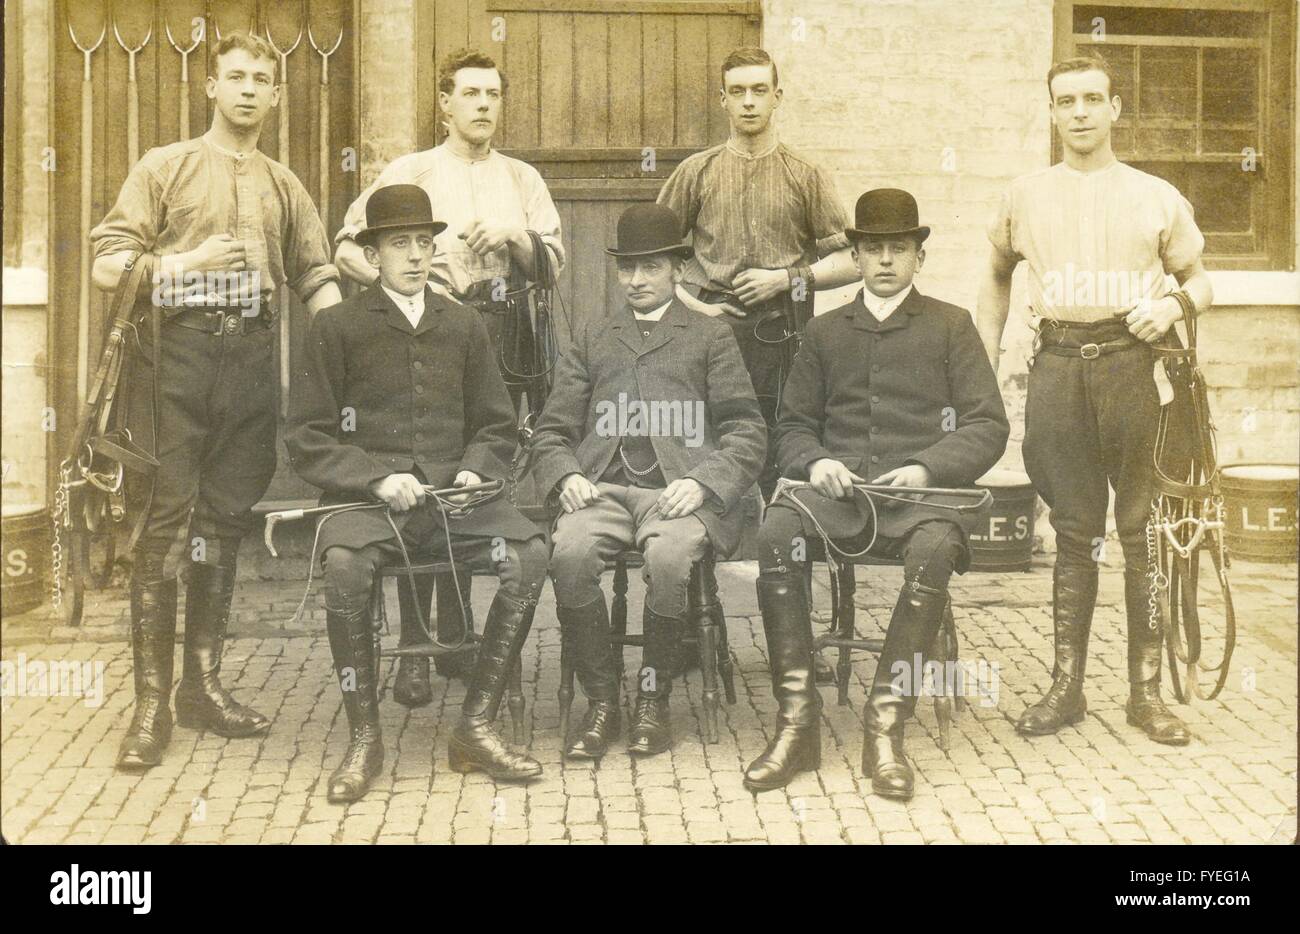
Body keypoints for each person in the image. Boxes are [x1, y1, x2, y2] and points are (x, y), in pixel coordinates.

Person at [90, 32, 342, 771]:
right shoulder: (165, 167)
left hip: (252, 360)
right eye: (235, 76)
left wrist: (354, 341)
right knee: (164, 520)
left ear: (275, 95)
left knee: (226, 515)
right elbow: (109, 265)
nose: (248, 90)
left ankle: (200, 686)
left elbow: (317, 275)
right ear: (210, 86)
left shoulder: (282, 183)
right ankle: (148, 706)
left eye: (262, 79)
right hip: (176, 358)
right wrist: (184, 263)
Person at [977, 56, 1213, 747]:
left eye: (1091, 99)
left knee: (1139, 528)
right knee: (1074, 530)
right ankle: (1066, 686)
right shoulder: (1024, 195)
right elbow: (994, 277)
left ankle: (1144, 695)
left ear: (1117, 109)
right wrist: (986, 362)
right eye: (1064, 102)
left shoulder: (1155, 195)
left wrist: (1169, 304)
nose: (1078, 112)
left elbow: (1203, 283)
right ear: (1051, 113)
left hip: (1134, 367)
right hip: (1057, 368)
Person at [285, 184, 549, 801]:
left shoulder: (463, 323)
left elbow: (495, 421)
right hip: (369, 506)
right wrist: (374, 476)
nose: (413, 256)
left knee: (529, 555)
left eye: (424, 244)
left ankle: (475, 724)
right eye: (398, 244)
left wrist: (473, 468)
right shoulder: (336, 326)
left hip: (453, 504)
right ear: (372, 256)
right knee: (346, 568)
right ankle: (364, 738)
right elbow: (307, 435)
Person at [748, 189, 1008, 798]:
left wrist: (926, 467)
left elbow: (986, 425)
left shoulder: (951, 325)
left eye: (899, 249)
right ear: (857, 258)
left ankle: (886, 725)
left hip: (922, 502)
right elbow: (791, 426)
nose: (886, 261)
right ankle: (797, 723)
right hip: (840, 498)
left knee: (934, 550)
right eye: (873, 249)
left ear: (918, 256)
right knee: (777, 531)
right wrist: (816, 463)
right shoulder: (823, 330)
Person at [334, 48, 565, 707]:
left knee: (471, 477)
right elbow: (347, 245)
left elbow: (554, 264)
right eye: (470, 93)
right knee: (422, 470)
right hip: (421, 336)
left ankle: (459, 634)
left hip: (499, 337)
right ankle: (413, 649)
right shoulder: (410, 173)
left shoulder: (522, 179)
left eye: (493, 94)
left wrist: (516, 238)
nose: (483, 105)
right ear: (445, 104)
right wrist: (404, 281)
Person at [529, 203, 766, 760]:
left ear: (678, 270)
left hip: (677, 494)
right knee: (568, 552)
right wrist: (564, 475)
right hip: (603, 488)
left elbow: (748, 430)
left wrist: (705, 483)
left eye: (650, 268)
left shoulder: (709, 337)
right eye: (626, 268)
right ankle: (603, 699)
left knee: (667, 559)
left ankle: (653, 700)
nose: (636, 281)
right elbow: (552, 430)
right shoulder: (593, 335)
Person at [657, 47, 859, 496]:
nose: (748, 101)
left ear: (777, 97)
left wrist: (788, 279)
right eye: (738, 91)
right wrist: (694, 307)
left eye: (759, 90)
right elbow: (652, 255)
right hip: (706, 334)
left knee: (781, 442)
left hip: (782, 334)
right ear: (722, 100)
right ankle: (700, 560)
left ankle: (778, 555)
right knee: (701, 441)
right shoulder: (696, 171)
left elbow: (853, 262)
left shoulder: (806, 174)